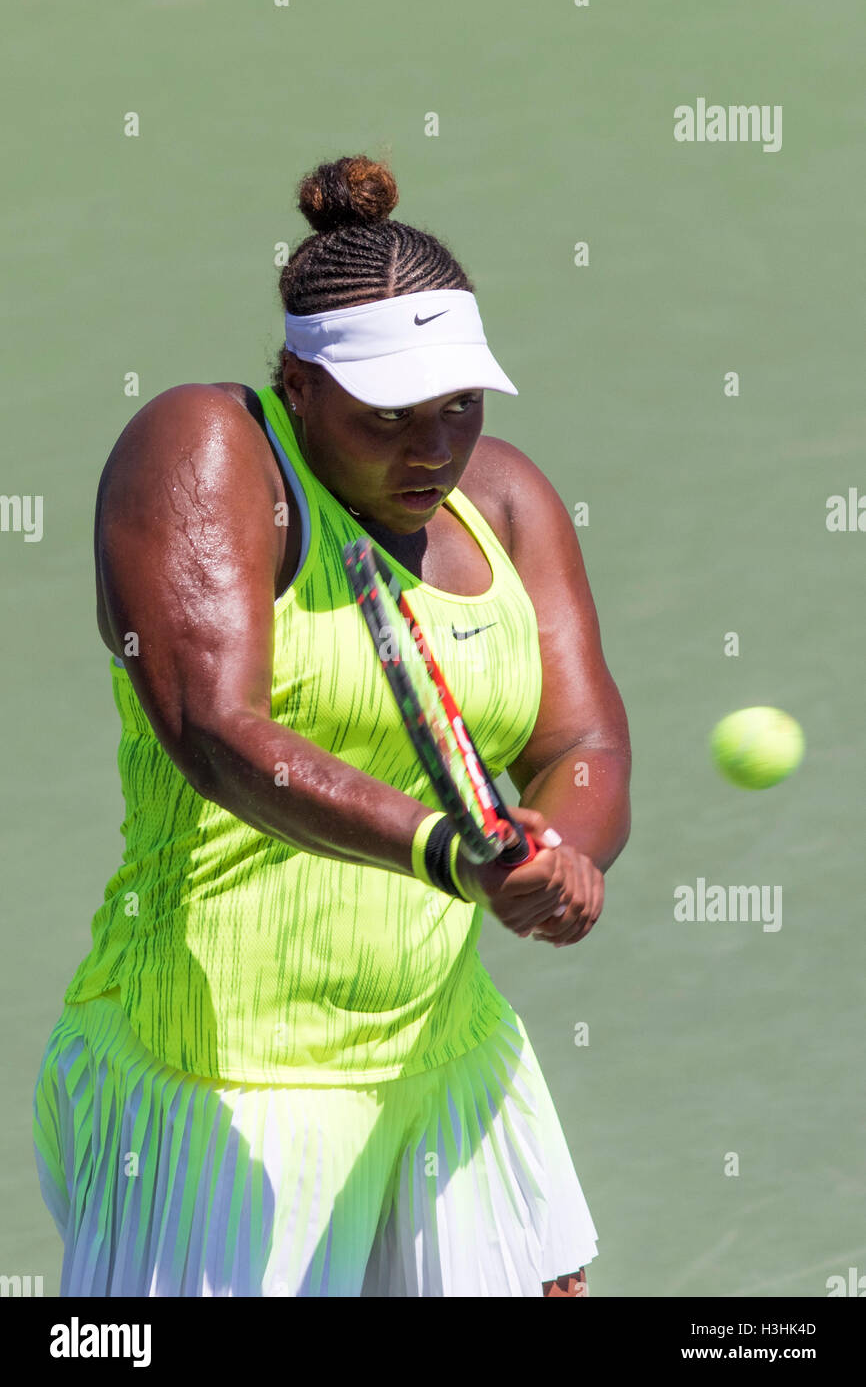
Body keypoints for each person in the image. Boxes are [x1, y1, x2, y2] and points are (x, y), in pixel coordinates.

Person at [32, 154, 631, 1298]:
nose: (432, 449)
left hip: (440, 1046)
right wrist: (446, 851)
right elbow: (217, 732)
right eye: (388, 418)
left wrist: (558, 855)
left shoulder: (503, 497)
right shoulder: (202, 448)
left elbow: (579, 746)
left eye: (459, 406)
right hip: (221, 1084)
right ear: (299, 388)